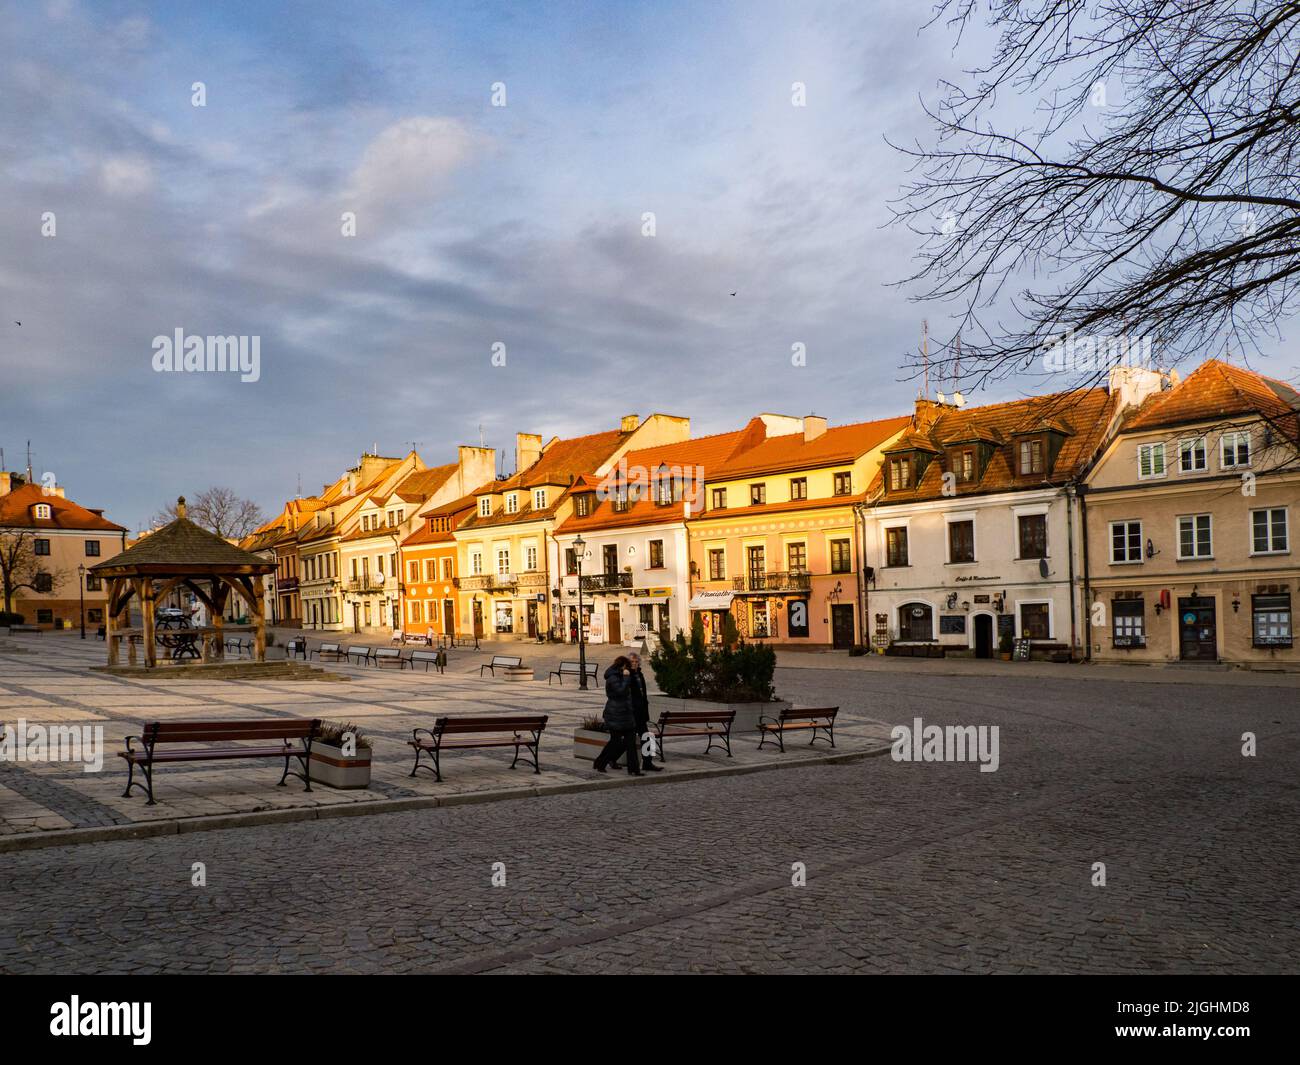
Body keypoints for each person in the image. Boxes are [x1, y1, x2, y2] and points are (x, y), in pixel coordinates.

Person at [592, 655, 641, 775]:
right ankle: (600, 763)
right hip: (615, 714)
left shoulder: (625, 675)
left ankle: (634, 770)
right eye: (627, 666)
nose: (628, 668)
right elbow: (621, 692)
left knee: (631, 743)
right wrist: (626, 677)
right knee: (615, 742)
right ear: (621, 666)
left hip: (627, 714)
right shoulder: (613, 678)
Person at [627, 652, 661, 771]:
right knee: (626, 740)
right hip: (631, 713)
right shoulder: (626, 675)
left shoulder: (639, 674)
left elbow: (643, 695)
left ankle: (647, 763)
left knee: (646, 737)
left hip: (641, 712)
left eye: (636, 662)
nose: (634, 664)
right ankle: (610, 759)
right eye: (632, 662)